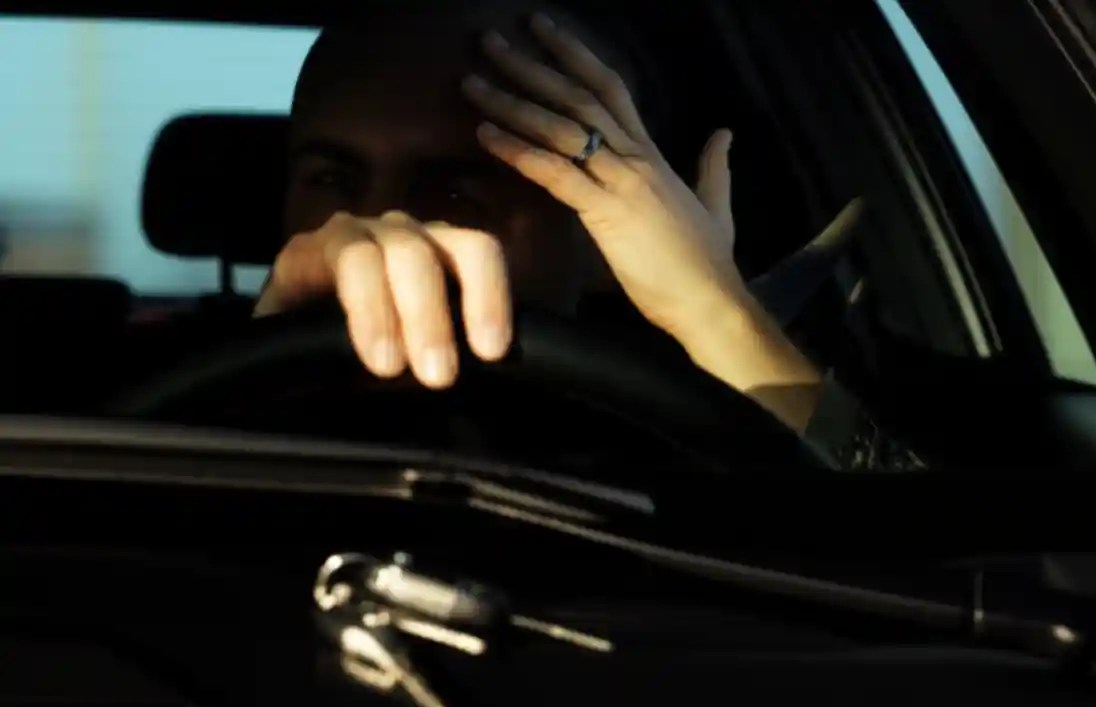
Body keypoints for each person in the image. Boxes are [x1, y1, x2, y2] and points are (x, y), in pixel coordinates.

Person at [254, 1, 921, 470]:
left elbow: (960, 589)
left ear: (607, 241)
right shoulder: (162, 390)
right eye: (330, 180)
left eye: (456, 193)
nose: (381, 226)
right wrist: (256, 384)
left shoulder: (682, 461)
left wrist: (717, 317)